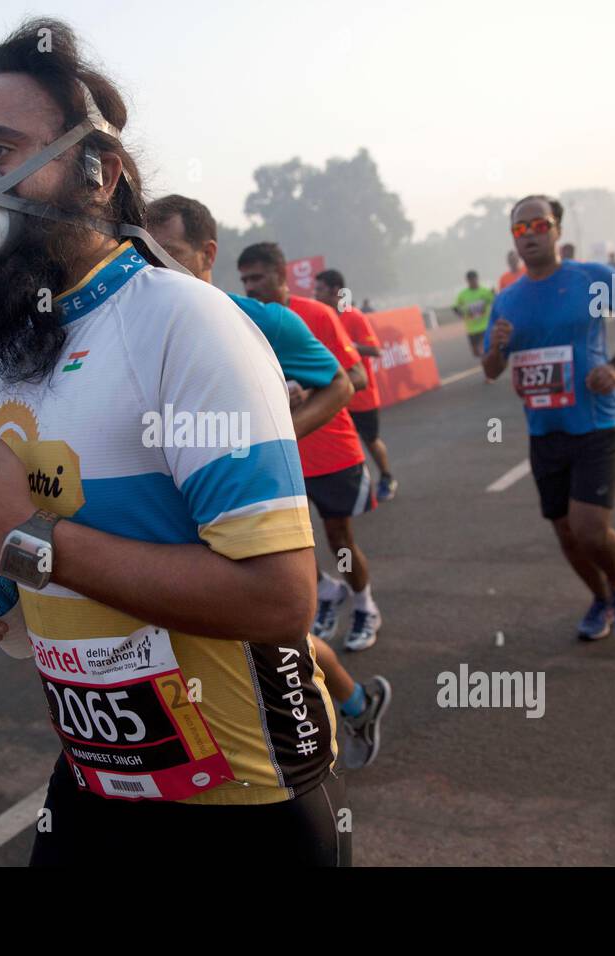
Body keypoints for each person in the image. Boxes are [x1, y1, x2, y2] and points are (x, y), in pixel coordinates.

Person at [0, 20, 348, 864]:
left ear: (98, 171)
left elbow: (277, 599)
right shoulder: (14, 350)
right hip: (94, 779)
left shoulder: (185, 321)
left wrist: (23, 540)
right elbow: (54, 557)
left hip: (243, 800)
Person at [147, 193, 392, 770]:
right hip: (179, 512)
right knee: (221, 638)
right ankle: (351, 701)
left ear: (207, 253)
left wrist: (277, 437)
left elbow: (341, 384)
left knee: (275, 628)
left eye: (171, 253)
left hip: (266, 498)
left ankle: (335, 699)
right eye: (145, 252)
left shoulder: (265, 320)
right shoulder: (138, 325)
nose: (156, 266)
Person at [481, 196, 615, 643]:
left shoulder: (591, 277)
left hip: (596, 423)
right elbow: (490, 369)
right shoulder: (507, 300)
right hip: (544, 431)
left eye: (538, 224)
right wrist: (498, 346)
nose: (530, 234)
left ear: (557, 230)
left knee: (590, 529)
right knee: (565, 533)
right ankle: (598, 598)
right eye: (520, 229)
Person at [238, 242, 383, 652]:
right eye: (245, 279)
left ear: (282, 274)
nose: (250, 287)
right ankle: (326, 594)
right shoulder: (245, 322)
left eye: (258, 277)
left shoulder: (317, 315)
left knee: (340, 537)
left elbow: (355, 378)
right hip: (283, 454)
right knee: (288, 544)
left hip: (331, 448)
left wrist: (302, 388)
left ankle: (364, 604)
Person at [315, 268, 398, 502]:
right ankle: (359, 487)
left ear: (334, 291)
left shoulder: (354, 317)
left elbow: (375, 350)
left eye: (319, 290)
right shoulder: (323, 318)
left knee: (370, 440)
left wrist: (348, 346)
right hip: (336, 395)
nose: (315, 294)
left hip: (362, 394)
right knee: (345, 445)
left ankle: (387, 477)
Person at [453, 269, 494, 359]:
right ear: (467, 281)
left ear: (477, 279)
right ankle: (486, 357)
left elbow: (494, 301)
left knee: (483, 349)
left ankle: (487, 360)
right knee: (475, 352)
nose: (473, 282)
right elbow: (455, 307)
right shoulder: (463, 294)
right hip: (471, 328)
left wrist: (493, 293)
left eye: (474, 279)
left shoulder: (484, 292)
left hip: (484, 326)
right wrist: (460, 314)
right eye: (470, 280)